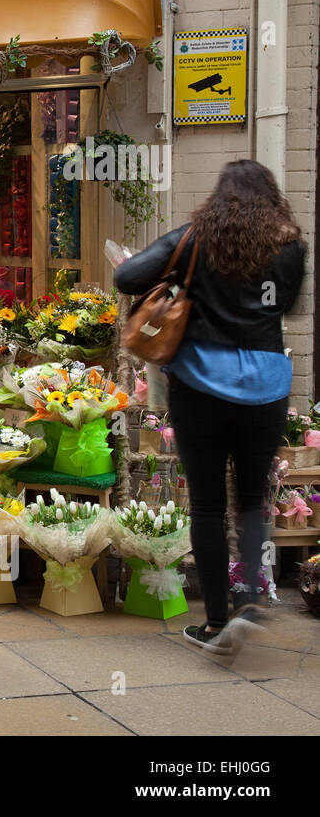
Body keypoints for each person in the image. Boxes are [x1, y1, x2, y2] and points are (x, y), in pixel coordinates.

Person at [115, 160, 306, 656]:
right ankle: (247, 600)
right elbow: (286, 306)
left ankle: (217, 622)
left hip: (202, 384)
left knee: (205, 503)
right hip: (266, 386)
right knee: (250, 500)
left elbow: (128, 277)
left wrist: (182, 277)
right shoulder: (291, 245)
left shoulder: (197, 237)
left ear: (220, 196)